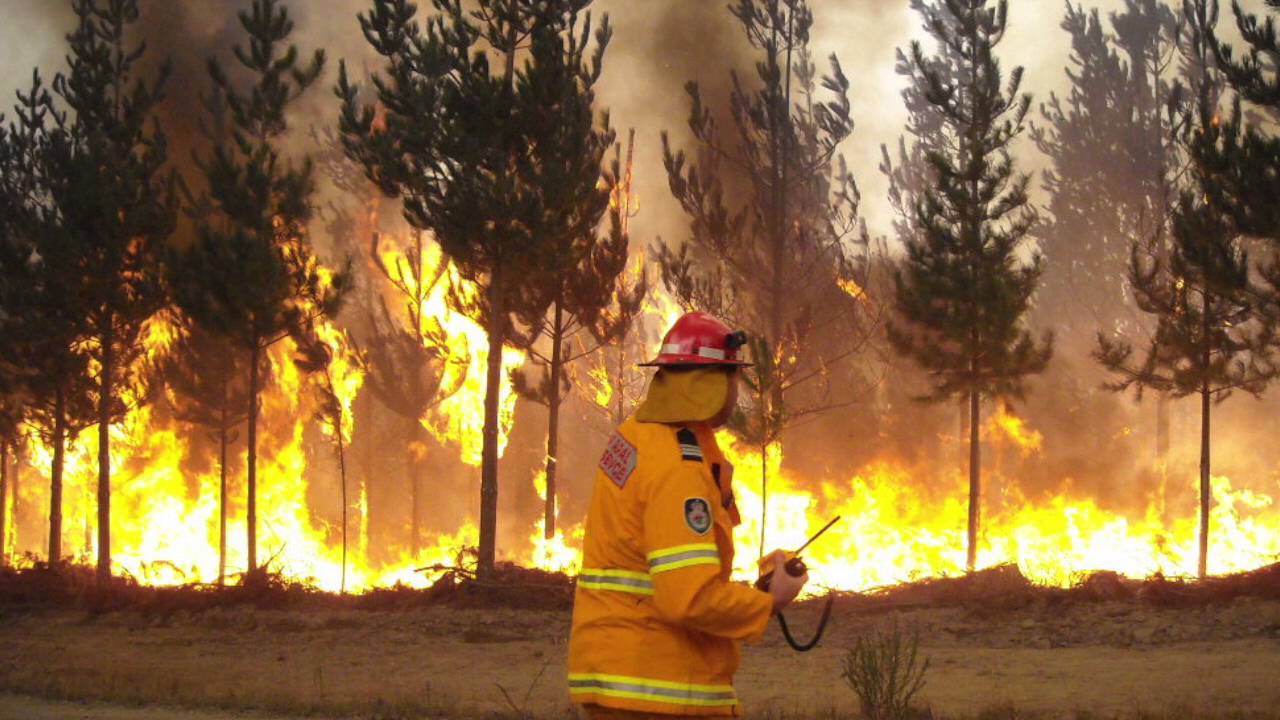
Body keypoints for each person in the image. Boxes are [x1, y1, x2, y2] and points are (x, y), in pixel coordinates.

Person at [568, 312, 808, 718]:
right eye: (733, 377)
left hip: (620, 673)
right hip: (659, 688)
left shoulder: (637, 436)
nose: (736, 392)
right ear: (712, 383)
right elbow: (688, 598)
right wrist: (767, 602)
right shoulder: (679, 466)